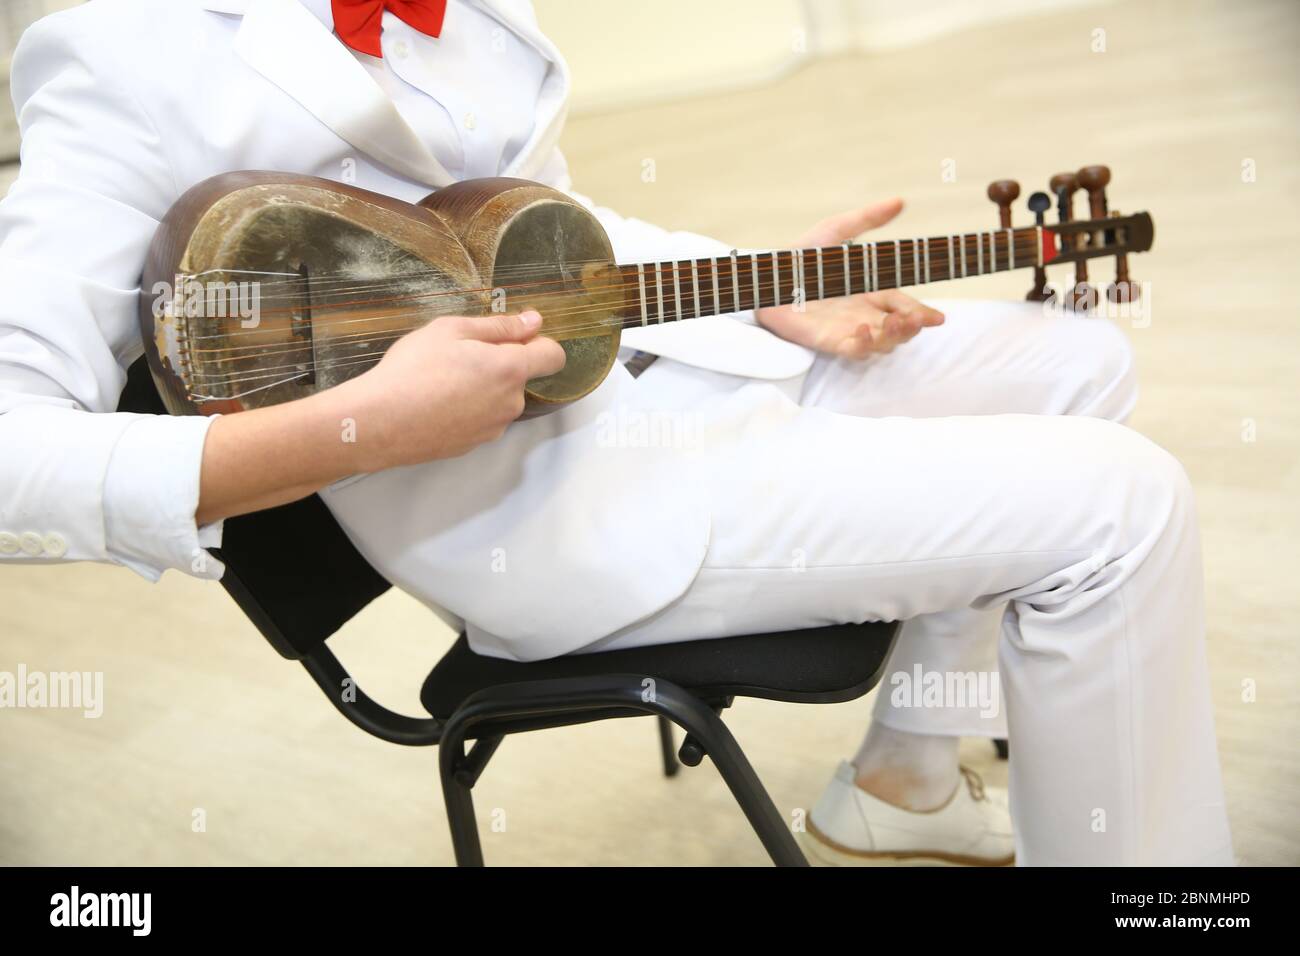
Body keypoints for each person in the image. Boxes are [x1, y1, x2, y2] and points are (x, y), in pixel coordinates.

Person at [0, 0, 1233, 865]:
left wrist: (758, 287)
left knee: (1078, 359)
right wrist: (366, 423)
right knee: (1122, 505)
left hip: (659, 394)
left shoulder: (474, 11)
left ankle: (903, 781)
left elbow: (535, 219)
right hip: (539, 522)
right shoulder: (121, 54)